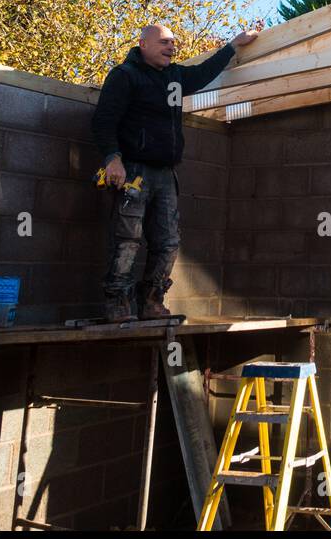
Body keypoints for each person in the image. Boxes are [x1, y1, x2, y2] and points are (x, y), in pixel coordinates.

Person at [91, 24, 260, 320]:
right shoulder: (126, 76)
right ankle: (117, 303)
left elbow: (205, 72)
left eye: (174, 43)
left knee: (168, 242)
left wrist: (234, 45)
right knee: (127, 238)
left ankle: (152, 301)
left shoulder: (175, 77)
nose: (172, 47)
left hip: (166, 174)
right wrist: (112, 159)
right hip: (134, 172)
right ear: (143, 44)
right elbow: (104, 121)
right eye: (165, 42)